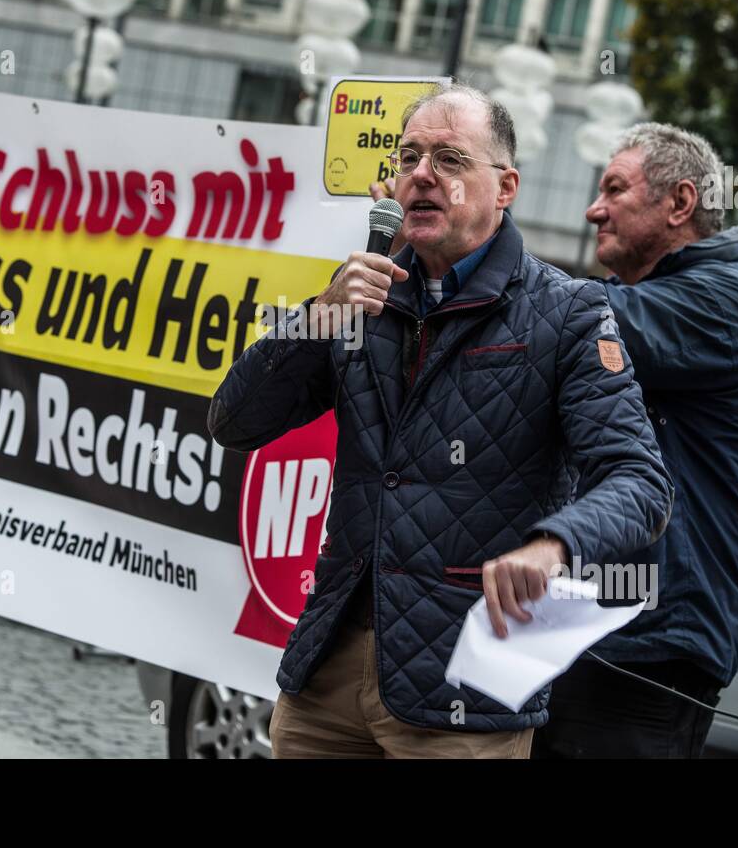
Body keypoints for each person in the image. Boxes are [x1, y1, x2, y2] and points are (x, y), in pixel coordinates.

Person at [208, 84, 673, 758]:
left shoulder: (568, 314)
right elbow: (234, 420)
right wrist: (318, 317)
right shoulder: (360, 298)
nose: (421, 174)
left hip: (463, 690)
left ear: (505, 185)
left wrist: (554, 546)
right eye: (409, 156)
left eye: (450, 159)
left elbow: (640, 480)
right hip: (328, 673)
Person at [534, 122, 738, 759]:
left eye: (614, 189)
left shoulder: (728, 301)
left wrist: (469, 231)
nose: (594, 209)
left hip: (649, 653)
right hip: (605, 633)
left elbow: (564, 318)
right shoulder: (667, 295)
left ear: (680, 203)